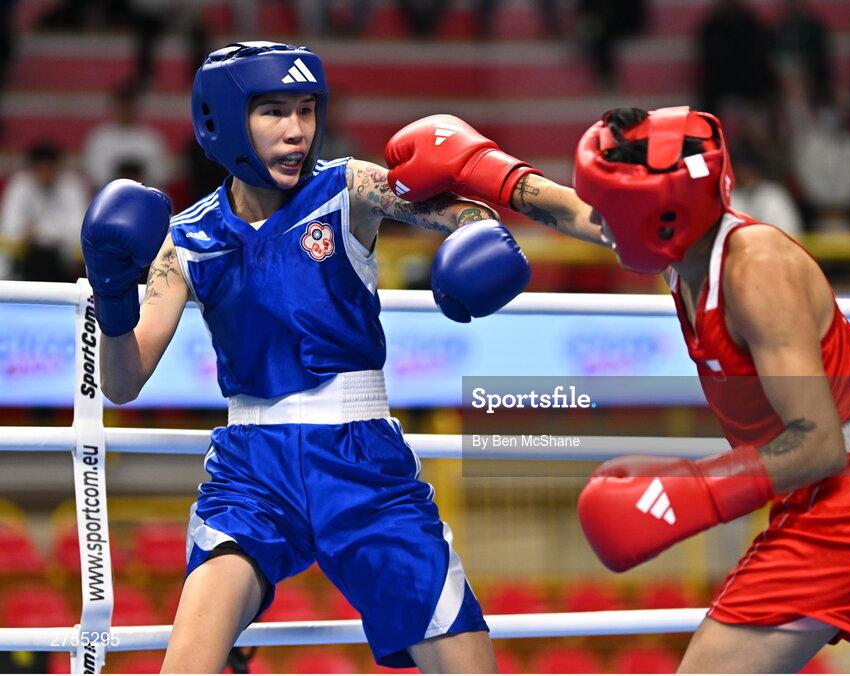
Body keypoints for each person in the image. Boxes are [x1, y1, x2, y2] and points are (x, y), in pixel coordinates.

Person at [383, 108, 850, 673]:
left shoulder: (756, 270)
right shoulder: (688, 246)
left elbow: (821, 445)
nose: (599, 218)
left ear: (660, 218)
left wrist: (692, 490)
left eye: (614, 206)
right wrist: (483, 170)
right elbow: (579, 212)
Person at [79, 41, 534, 673]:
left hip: (362, 463)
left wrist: (480, 232)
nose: (297, 132)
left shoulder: (347, 188)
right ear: (225, 121)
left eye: (306, 110)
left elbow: (458, 213)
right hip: (250, 474)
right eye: (274, 113)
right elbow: (122, 383)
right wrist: (109, 295)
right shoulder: (185, 240)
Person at [0, 141, 91, 281]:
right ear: (32, 168)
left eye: (50, 168)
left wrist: (46, 231)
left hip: (64, 257)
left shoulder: (72, 185)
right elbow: (9, 223)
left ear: (58, 167)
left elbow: (81, 225)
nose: (45, 173)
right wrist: (28, 232)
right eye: (40, 169)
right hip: (26, 255)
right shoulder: (19, 184)